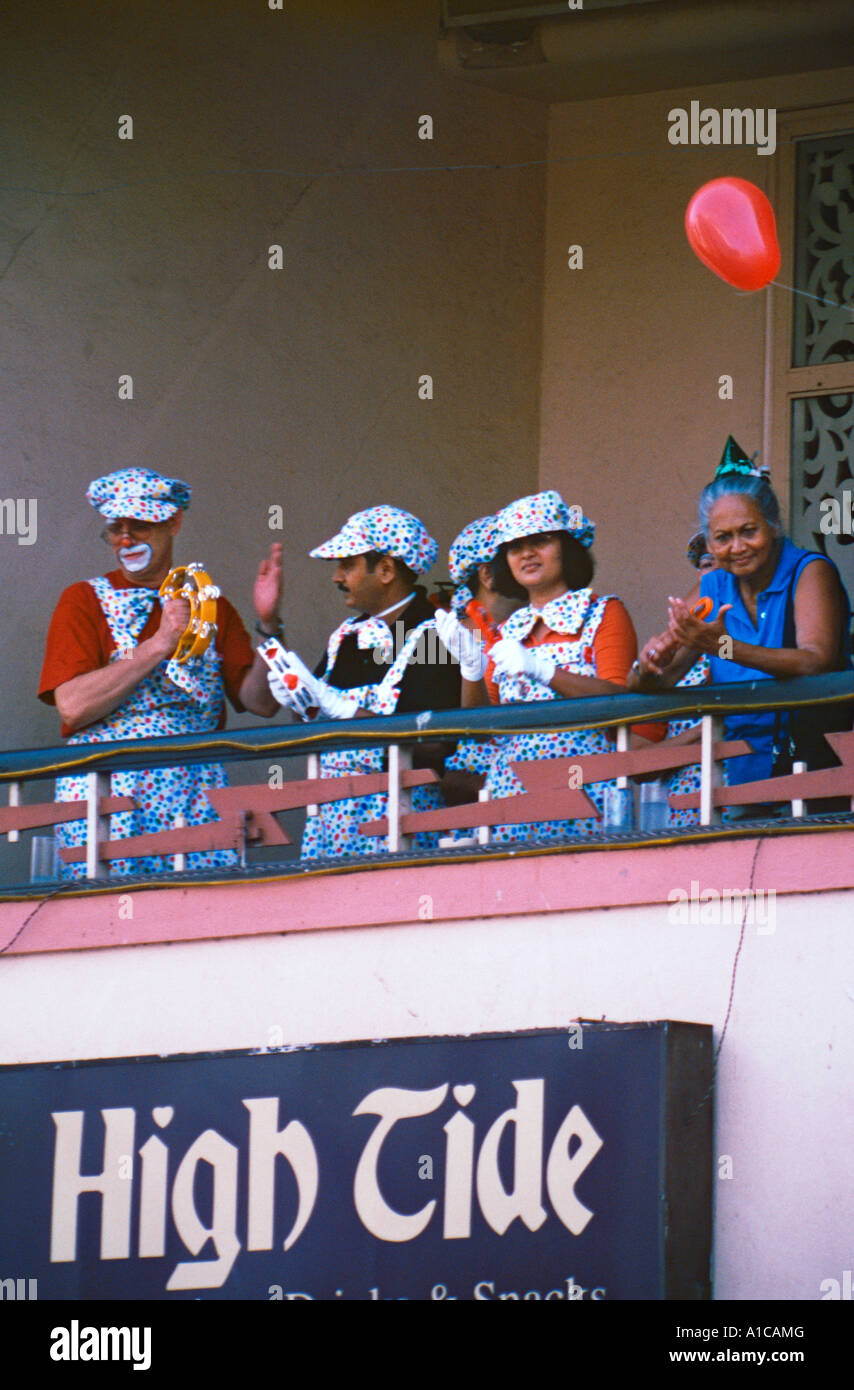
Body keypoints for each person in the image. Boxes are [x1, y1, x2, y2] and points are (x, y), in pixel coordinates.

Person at [39, 468, 283, 877]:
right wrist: (158, 645)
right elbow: (72, 705)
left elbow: (262, 703)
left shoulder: (210, 606)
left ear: (173, 523)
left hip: (193, 794)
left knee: (200, 912)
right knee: (103, 917)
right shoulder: (82, 599)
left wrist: (270, 626)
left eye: (140, 525)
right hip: (108, 794)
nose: (126, 539)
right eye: (116, 528)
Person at [631, 437, 852, 808]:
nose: (737, 547)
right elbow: (654, 681)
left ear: (773, 525)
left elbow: (817, 660)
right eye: (722, 538)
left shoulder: (809, 571)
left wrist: (723, 647)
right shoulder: (711, 585)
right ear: (708, 542)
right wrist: (649, 664)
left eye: (749, 531)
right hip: (740, 776)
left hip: (816, 770)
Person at [263, 505, 461, 859]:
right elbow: (317, 715)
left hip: (400, 820)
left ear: (385, 570)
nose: (336, 577)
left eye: (347, 564)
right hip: (331, 820)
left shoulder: (435, 634)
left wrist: (340, 707)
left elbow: (434, 745)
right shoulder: (347, 637)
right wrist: (302, 701)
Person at [480, 489, 638, 841]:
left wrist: (544, 671)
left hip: (585, 788)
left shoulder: (603, 612)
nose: (527, 554)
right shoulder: (507, 631)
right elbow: (484, 724)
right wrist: (469, 670)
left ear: (566, 547)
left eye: (541, 540)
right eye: (515, 546)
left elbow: (621, 701)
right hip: (511, 792)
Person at [434, 514, 525, 808]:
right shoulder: (438, 638)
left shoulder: (534, 633)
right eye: (513, 552)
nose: (526, 560)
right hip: (458, 811)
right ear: (487, 575)